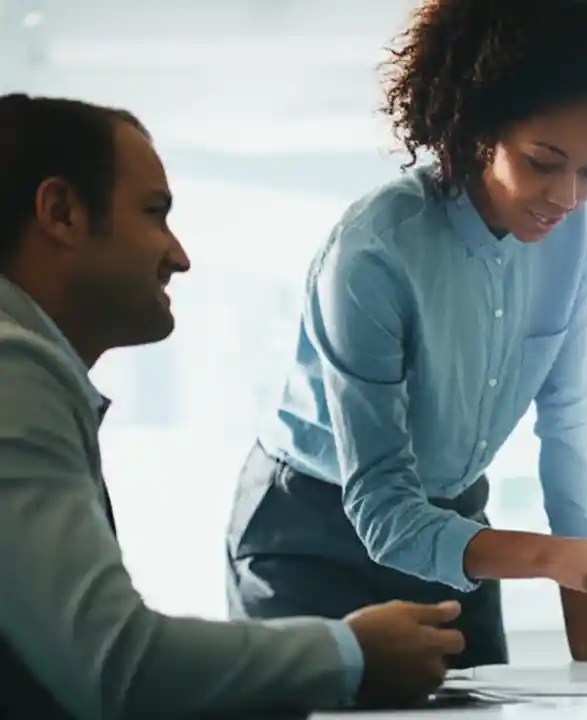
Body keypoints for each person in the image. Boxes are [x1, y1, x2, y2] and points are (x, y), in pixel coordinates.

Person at [225, 0, 587, 667]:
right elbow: (383, 507)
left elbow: (572, 420)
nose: (566, 196)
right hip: (312, 530)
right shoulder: (372, 253)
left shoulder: (575, 234)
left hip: (453, 521)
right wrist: (554, 558)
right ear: (477, 133)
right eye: (543, 162)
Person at [0, 94, 463, 719]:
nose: (179, 255)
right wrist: (351, 652)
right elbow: (118, 667)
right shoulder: (13, 373)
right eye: (154, 213)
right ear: (61, 213)